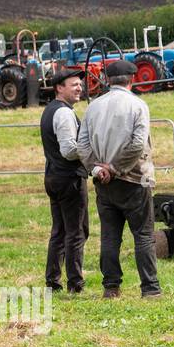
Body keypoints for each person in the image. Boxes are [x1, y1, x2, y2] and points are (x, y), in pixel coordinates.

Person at [76, 58, 161, 299]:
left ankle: (111, 288)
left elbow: (82, 146)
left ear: (108, 80)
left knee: (110, 237)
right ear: (132, 79)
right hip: (134, 179)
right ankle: (151, 289)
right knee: (144, 236)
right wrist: (115, 168)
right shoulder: (138, 105)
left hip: (105, 183)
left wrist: (97, 170)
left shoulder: (93, 107)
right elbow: (137, 144)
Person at [41, 68, 88, 293]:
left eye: (80, 84)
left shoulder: (49, 110)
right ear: (60, 88)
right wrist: (90, 150)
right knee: (76, 231)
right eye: (74, 85)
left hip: (53, 176)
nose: (79, 88)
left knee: (59, 230)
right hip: (68, 178)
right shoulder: (64, 113)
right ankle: (75, 284)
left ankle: (52, 281)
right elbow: (69, 150)